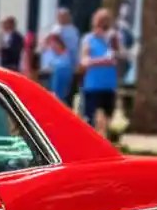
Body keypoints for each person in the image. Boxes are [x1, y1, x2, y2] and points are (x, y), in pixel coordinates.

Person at [79, 8, 120, 136]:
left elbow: (116, 58)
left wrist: (112, 43)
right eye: (100, 21)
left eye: (105, 22)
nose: (102, 25)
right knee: (90, 121)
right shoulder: (88, 39)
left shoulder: (113, 39)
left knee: (108, 120)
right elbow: (84, 61)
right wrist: (103, 61)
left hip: (109, 86)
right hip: (92, 86)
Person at [41, 33, 74, 106]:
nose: (53, 46)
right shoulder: (49, 53)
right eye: (51, 44)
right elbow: (46, 68)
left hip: (63, 83)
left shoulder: (66, 54)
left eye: (55, 43)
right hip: (52, 81)